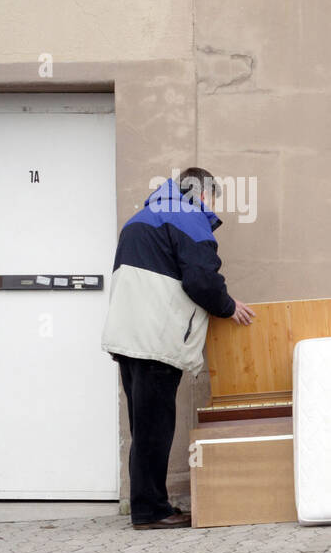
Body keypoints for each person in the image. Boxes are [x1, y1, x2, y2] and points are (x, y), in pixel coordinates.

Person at [102, 168, 255, 529]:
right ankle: (151, 511)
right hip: (157, 339)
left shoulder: (139, 219)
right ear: (202, 194)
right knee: (155, 428)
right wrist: (229, 306)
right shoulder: (187, 217)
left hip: (128, 337)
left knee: (143, 426)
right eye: (213, 200)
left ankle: (146, 505)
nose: (212, 207)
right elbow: (201, 278)